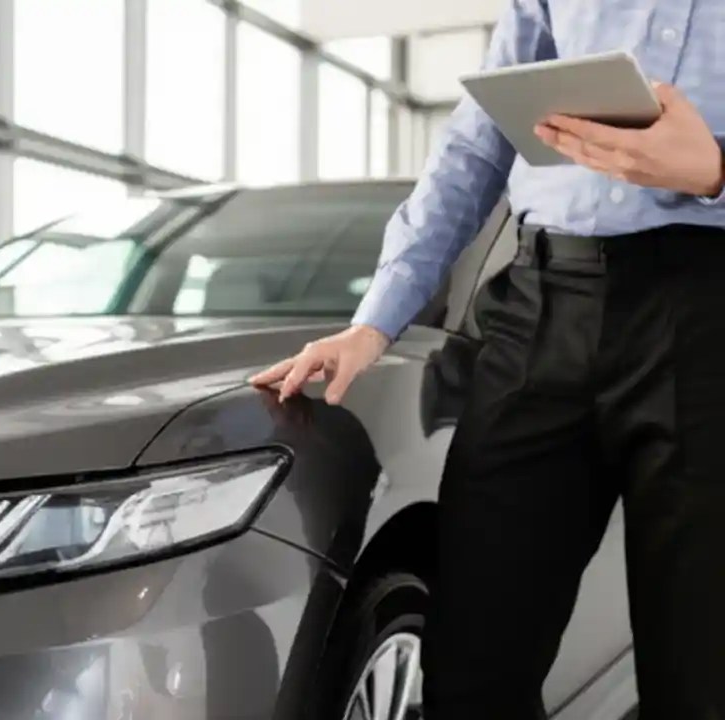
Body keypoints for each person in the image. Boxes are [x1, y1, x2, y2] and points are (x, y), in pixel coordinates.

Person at [249, 1, 725, 718]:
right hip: (540, 307)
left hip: (708, 315)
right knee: (472, 672)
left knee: (703, 683)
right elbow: (476, 146)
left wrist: (717, 167)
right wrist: (373, 323)